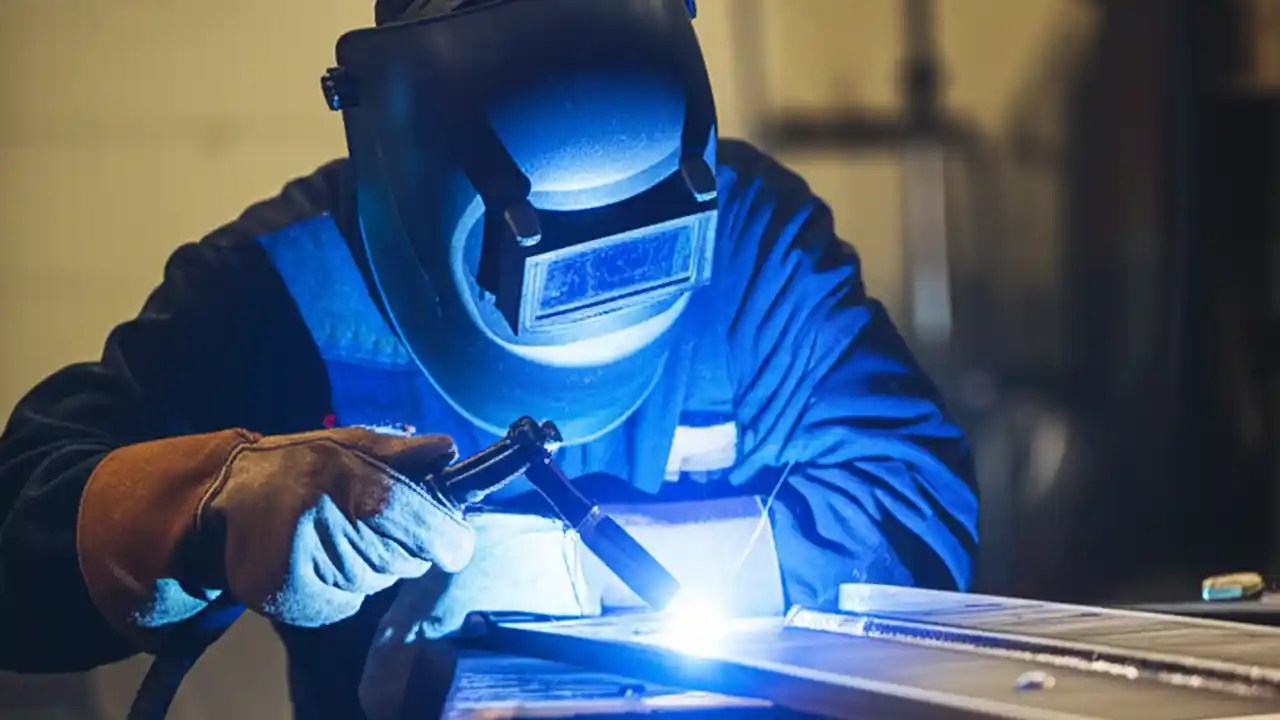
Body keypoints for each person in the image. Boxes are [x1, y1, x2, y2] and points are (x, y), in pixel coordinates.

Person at [0, 0, 978, 716]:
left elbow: (912, 504)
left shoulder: (753, 243)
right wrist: (211, 506)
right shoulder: (284, 287)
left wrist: (558, 579)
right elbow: (20, 550)